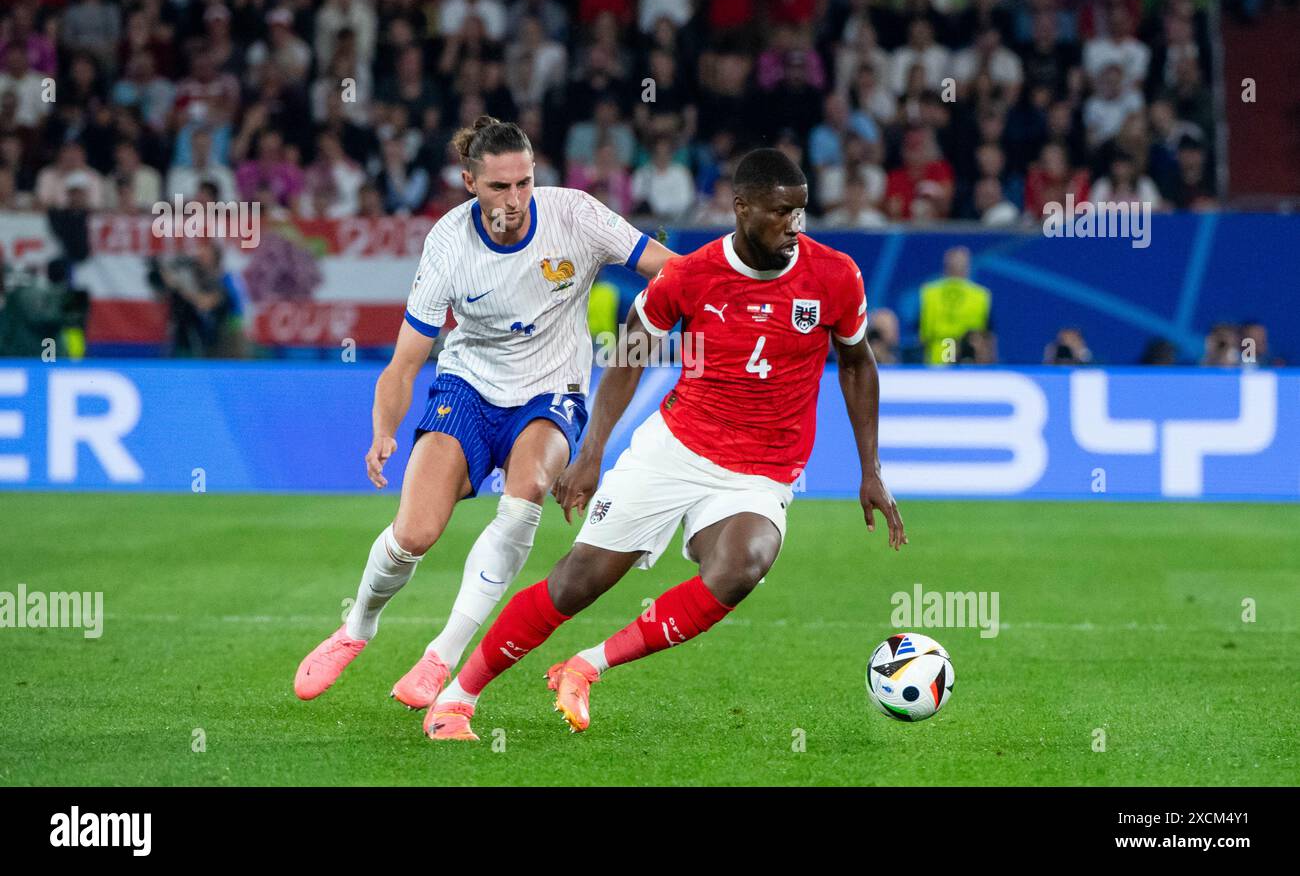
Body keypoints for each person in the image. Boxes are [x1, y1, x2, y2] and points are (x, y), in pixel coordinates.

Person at [423, 148, 905, 741]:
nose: (794, 226)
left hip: (764, 470)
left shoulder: (835, 275)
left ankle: (587, 666)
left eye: (801, 212)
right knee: (576, 583)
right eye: (781, 213)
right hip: (674, 450)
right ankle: (457, 696)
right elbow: (630, 355)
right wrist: (593, 450)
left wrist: (871, 468)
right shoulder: (689, 275)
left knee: (742, 565)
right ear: (741, 207)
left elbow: (858, 365)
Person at [293, 116, 673, 715]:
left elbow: (671, 268)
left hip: (553, 390)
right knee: (414, 534)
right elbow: (403, 363)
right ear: (470, 181)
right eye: (500, 187)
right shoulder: (448, 245)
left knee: (524, 494)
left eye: (524, 183)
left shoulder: (576, 214)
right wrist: (383, 431)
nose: (515, 200)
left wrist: (742, 293)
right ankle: (356, 629)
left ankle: (441, 656)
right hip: (468, 386)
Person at [918, 245, 992, 364]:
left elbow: (923, 335)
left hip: (938, 354)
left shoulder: (929, 293)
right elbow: (987, 336)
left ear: (945, 268)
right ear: (967, 268)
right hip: (968, 356)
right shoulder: (980, 295)